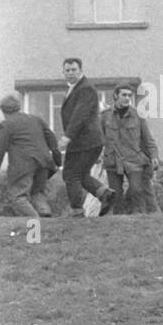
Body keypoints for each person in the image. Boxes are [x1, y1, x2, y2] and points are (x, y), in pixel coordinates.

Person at [57, 58, 116, 217]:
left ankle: (77, 211)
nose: (70, 73)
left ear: (81, 71)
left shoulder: (85, 89)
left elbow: (79, 115)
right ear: (63, 72)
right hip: (87, 142)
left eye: (73, 70)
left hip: (84, 141)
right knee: (80, 174)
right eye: (67, 70)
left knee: (71, 175)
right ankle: (105, 194)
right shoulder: (76, 88)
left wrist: (67, 137)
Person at [0, 94, 60, 217]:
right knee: (37, 193)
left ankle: (36, 223)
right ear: (18, 107)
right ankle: (45, 216)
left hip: (24, 165)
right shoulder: (36, 119)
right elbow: (51, 137)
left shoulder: (6, 124)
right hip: (44, 162)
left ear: (3, 111)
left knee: (19, 197)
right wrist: (57, 159)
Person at [100, 81, 158, 214]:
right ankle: (119, 220)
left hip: (134, 159)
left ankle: (141, 216)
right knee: (116, 194)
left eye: (129, 95)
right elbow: (99, 139)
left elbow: (148, 138)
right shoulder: (105, 116)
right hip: (113, 160)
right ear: (115, 96)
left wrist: (154, 156)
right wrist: (97, 156)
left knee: (136, 189)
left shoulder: (138, 115)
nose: (127, 98)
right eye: (124, 95)